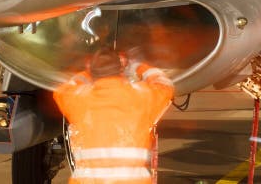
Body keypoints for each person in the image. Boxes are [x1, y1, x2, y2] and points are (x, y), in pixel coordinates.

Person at [53, 48, 174, 183]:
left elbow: (63, 89)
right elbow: (164, 85)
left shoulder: (79, 99)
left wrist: (87, 72)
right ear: (120, 70)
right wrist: (138, 66)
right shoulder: (141, 97)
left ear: (94, 71)